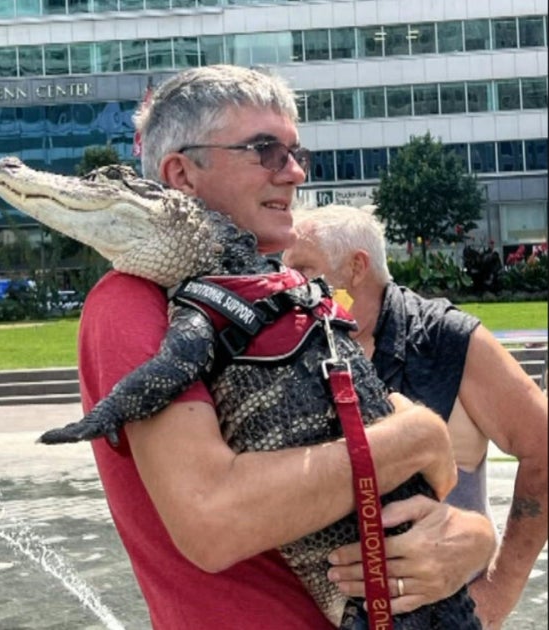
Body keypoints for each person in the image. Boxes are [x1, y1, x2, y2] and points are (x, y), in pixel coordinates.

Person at [78, 65, 497, 629]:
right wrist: (419, 434)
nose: (294, 173)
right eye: (264, 151)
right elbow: (213, 519)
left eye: (296, 152)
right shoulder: (133, 301)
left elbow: (426, 481)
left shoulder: (285, 295)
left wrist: (472, 539)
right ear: (181, 173)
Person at [283, 205, 549, 629]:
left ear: (355, 268)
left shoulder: (447, 339)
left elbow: (548, 449)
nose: (286, 283)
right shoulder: (299, 344)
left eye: (302, 268)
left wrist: (497, 592)